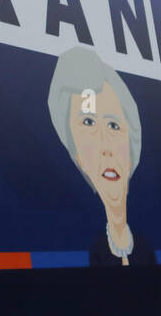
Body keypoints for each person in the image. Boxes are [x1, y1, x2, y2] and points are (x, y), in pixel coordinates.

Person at [47, 47, 153, 266]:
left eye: (113, 125)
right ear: (77, 155)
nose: (106, 146)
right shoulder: (87, 247)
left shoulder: (146, 248)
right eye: (88, 123)